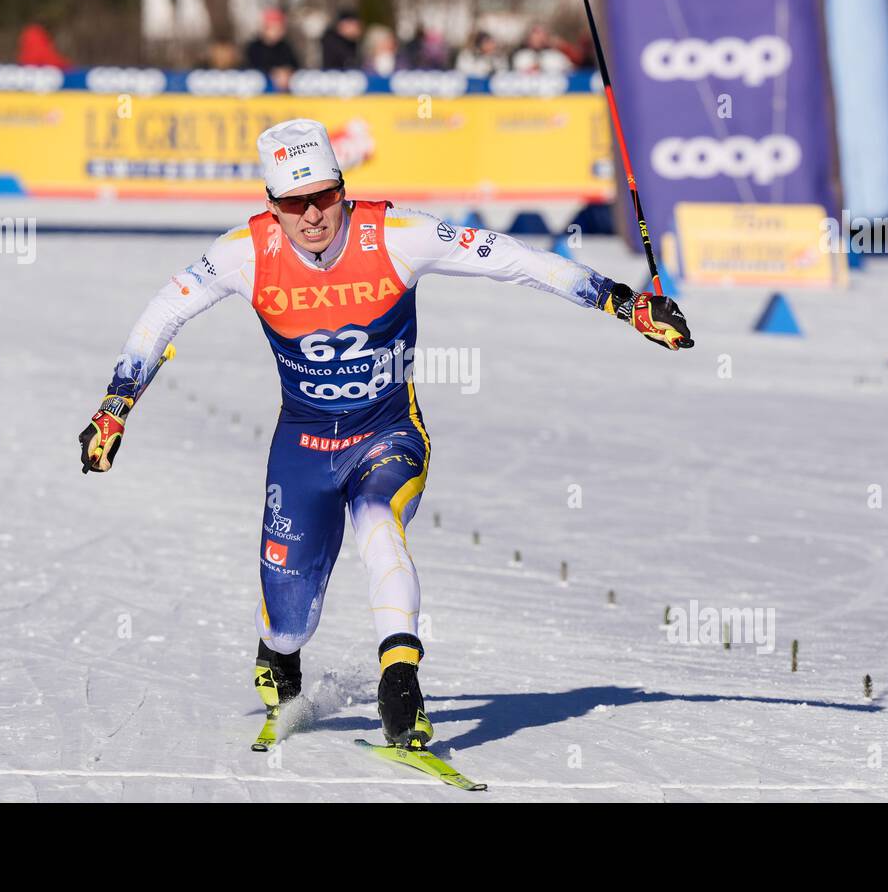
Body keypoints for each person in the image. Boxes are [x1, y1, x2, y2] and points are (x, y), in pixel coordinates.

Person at [78, 119, 693, 749]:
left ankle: (400, 682)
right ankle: (280, 653)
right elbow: (164, 311)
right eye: (294, 203)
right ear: (271, 206)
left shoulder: (397, 234)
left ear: (343, 187)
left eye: (323, 196)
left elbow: (512, 259)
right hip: (304, 447)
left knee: (379, 525)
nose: (312, 215)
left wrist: (620, 300)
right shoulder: (245, 253)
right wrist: (116, 404)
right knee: (290, 620)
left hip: (389, 433)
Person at [244, 9, 299, 88]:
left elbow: (294, 66)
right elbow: (250, 69)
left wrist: (288, 73)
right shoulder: (254, 47)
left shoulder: (286, 47)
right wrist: (272, 74)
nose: (277, 32)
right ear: (265, 28)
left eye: (280, 28)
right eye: (274, 28)